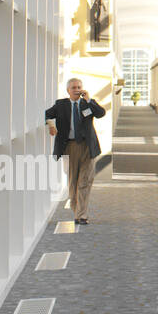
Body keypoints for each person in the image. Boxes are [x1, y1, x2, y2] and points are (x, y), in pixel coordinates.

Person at [45, 78, 105, 225]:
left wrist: (89, 99)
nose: (77, 90)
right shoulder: (61, 105)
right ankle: (77, 210)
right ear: (68, 90)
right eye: (74, 88)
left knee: (85, 181)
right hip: (70, 146)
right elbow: (46, 114)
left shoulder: (88, 103)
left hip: (87, 146)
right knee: (73, 183)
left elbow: (101, 113)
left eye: (79, 87)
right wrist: (51, 125)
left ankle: (81, 215)